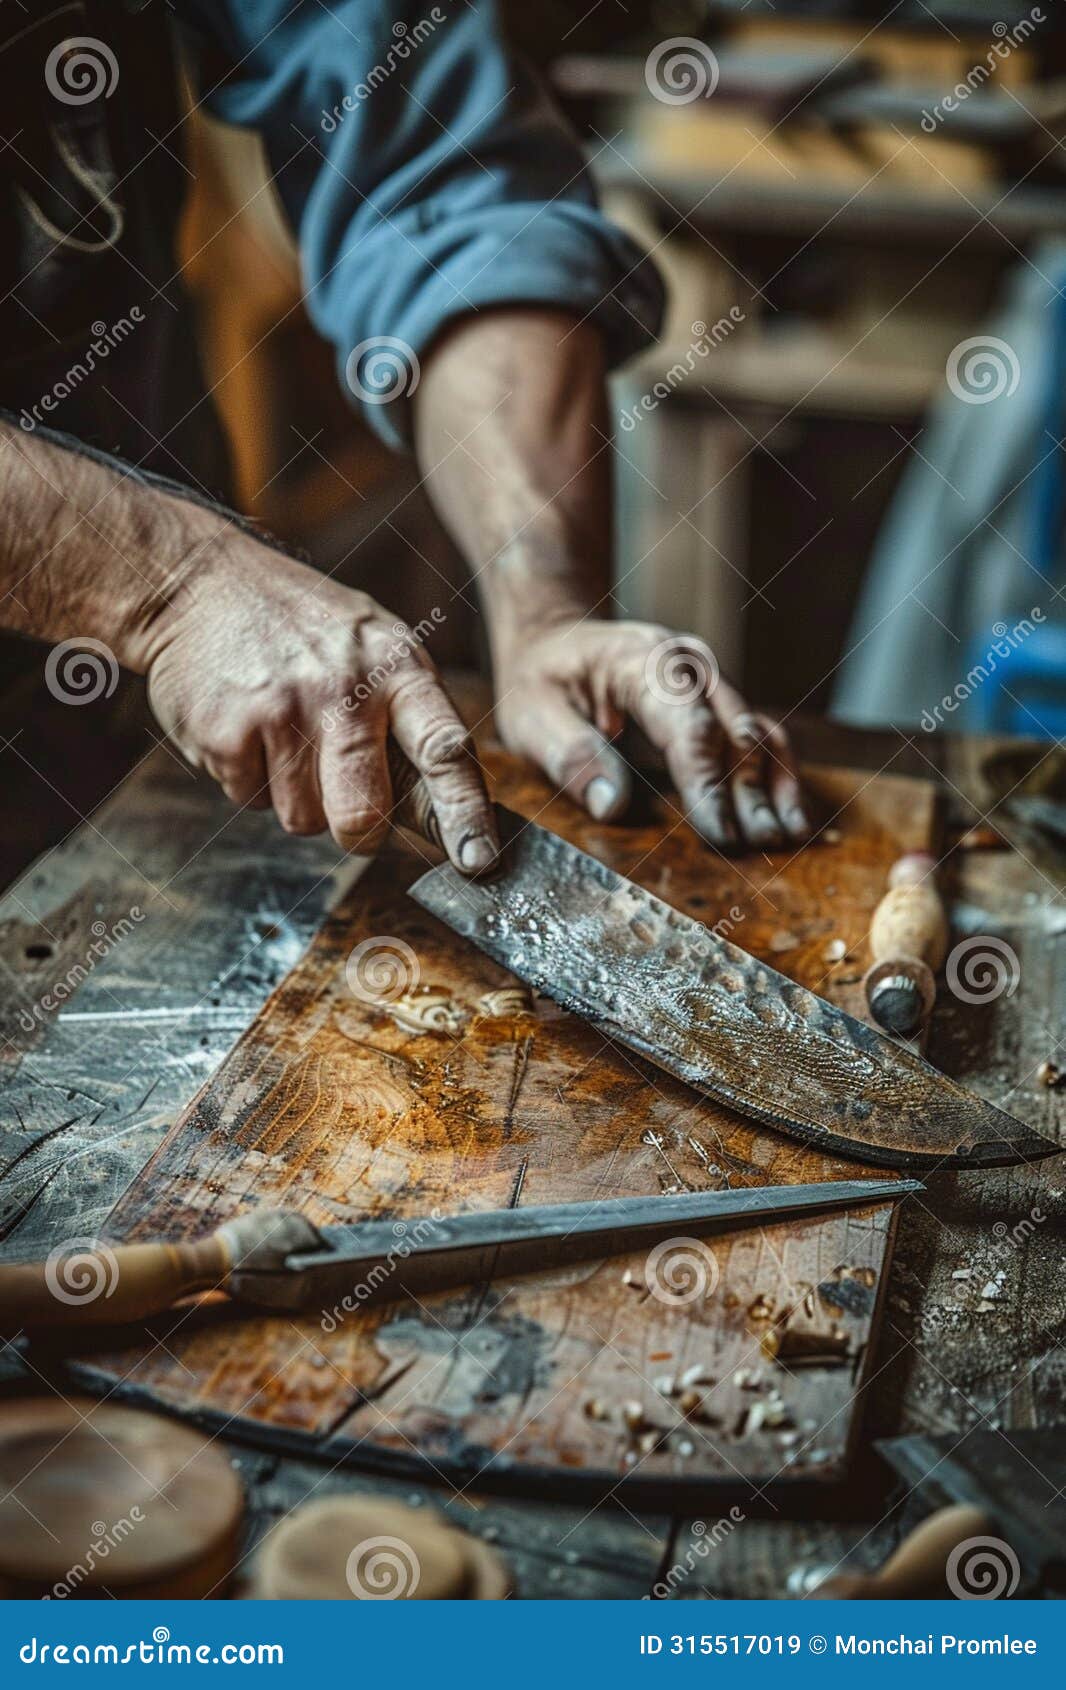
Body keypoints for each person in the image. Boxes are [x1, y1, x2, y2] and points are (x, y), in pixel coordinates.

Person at [0, 1, 811, 873]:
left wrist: (541, 605)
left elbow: (441, 184)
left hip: (150, 744)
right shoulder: (175, 589)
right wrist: (170, 582)